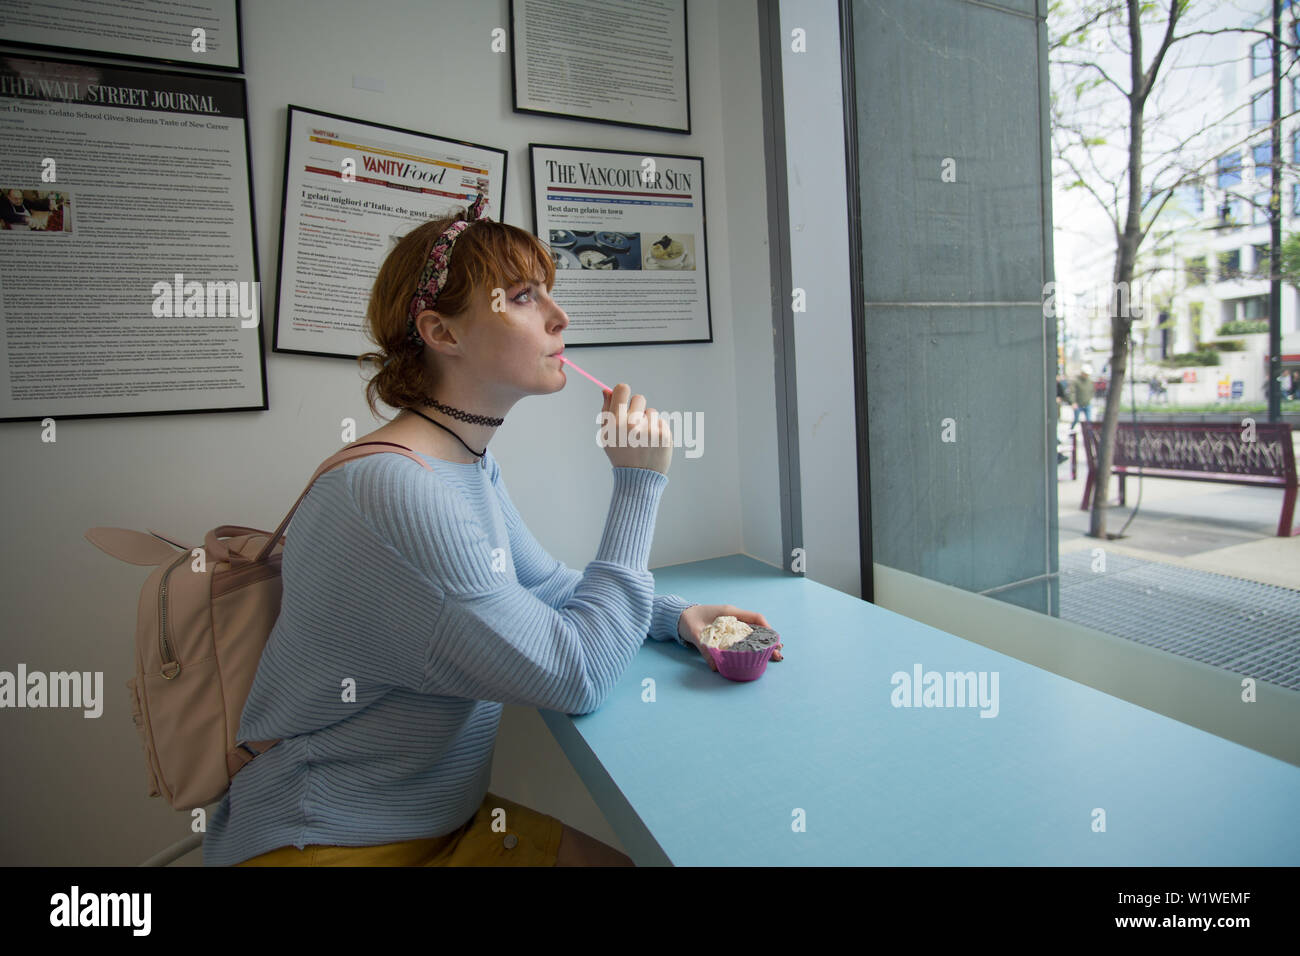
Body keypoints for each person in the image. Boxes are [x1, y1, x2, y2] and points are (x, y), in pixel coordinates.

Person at [201, 194, 777, 867]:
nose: (561, 316)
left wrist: (680, 617)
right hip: (329, 841)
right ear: (442, 333)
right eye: (526, 297)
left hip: (438, 818)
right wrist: (639, 483)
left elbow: (548, 586)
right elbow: (578, 673)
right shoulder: (395, 492)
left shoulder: (460, 461)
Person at [1069, 364, 1094, 431]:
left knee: (1089, 420)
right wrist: (1073, 402)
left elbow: (1092, 391)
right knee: (1076, 419)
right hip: (1078, 404)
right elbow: (1072, 392)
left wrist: (1089, 398)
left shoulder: (1089, 381)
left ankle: (1090, 434)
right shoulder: (1076, 381)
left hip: (1087, 403)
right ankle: (1071, 430)